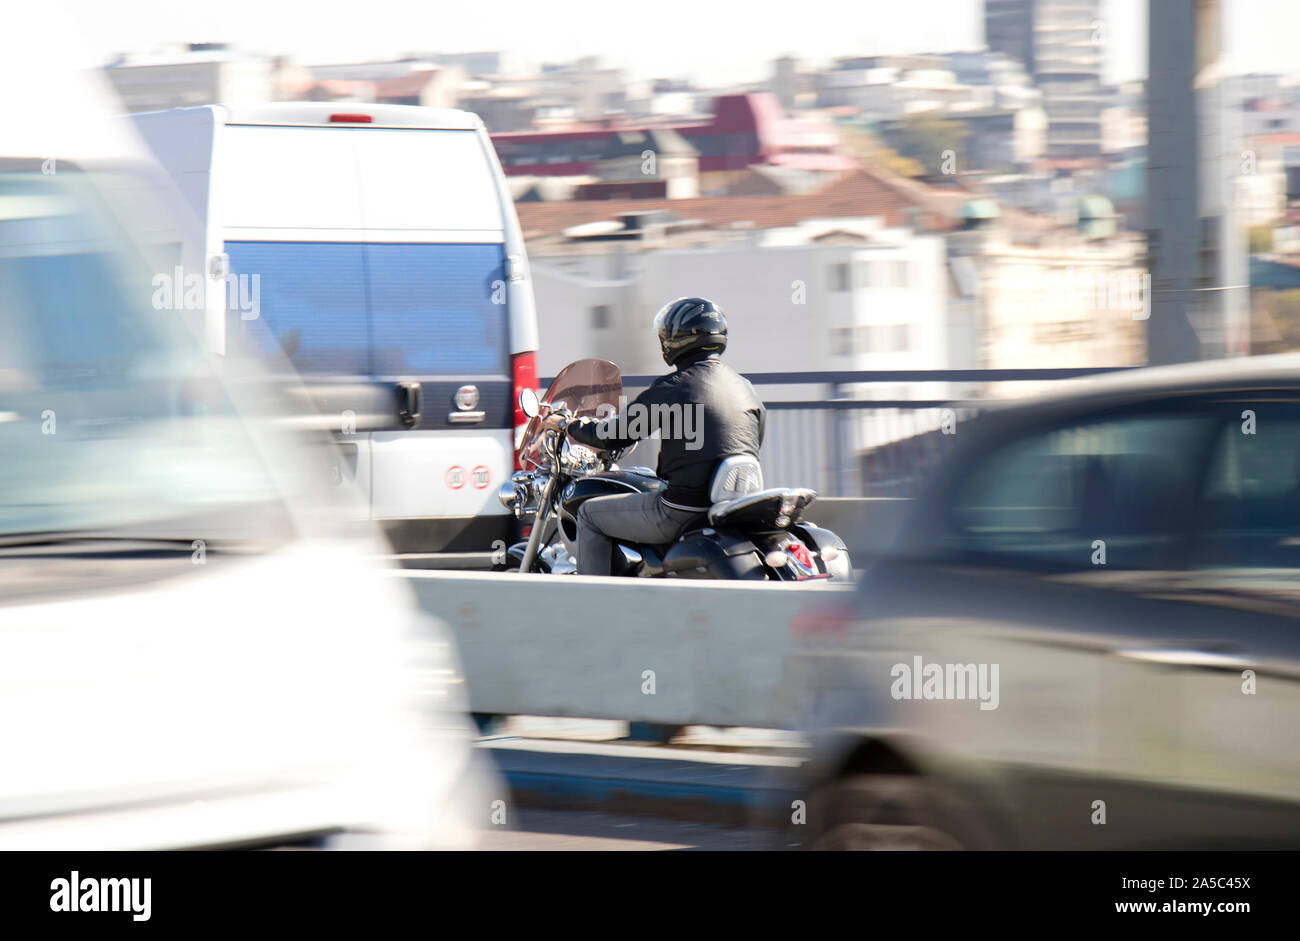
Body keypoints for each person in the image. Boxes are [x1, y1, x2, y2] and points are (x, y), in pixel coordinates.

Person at [555, 296, 766, 575]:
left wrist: (571, 427)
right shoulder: (744, 387)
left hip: (680, 511)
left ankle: (593, 606)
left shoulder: (675, 386)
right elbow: (754, 439)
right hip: (731, 508)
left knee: (588, 514)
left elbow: (616, 435)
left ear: (678, 339)